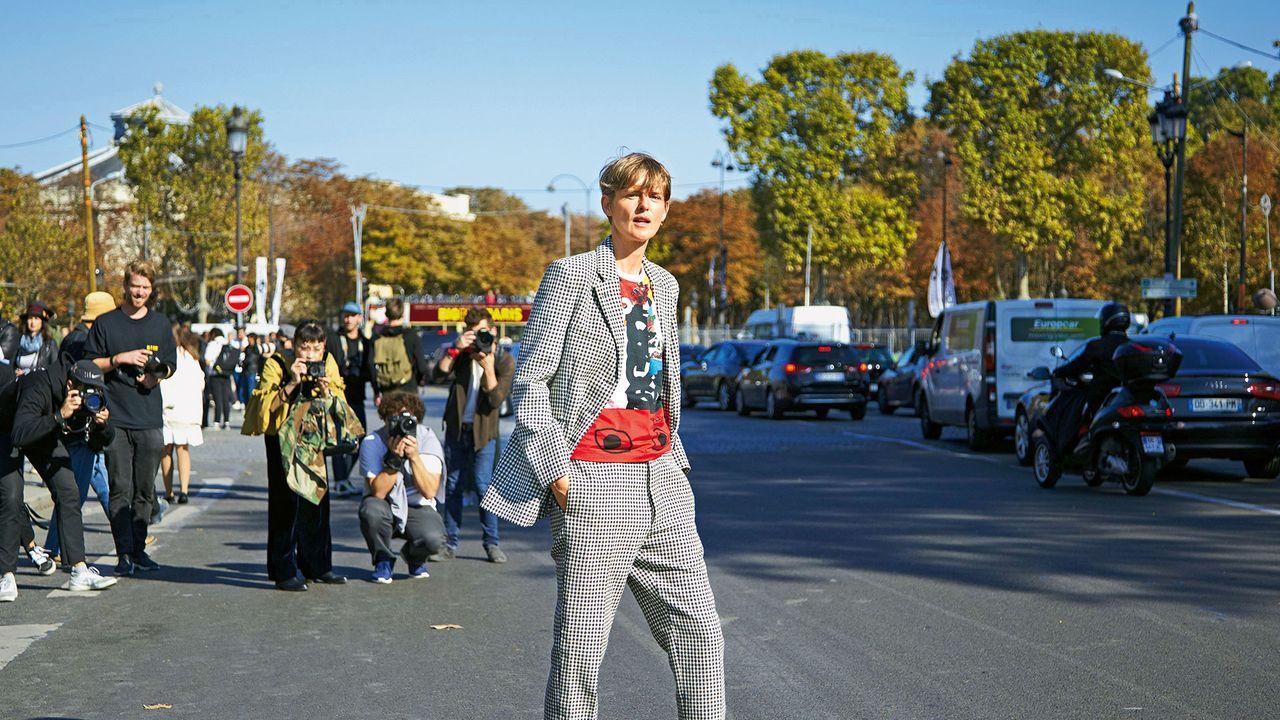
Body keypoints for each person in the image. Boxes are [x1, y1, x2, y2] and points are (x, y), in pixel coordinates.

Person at [482, 153, 725, 720]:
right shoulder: (569, 276)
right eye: (632, 194)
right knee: (580, 659)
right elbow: (534, 380)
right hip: (593, 481)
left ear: (666, 210)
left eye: (656, 197)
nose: (644, 206)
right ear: (607, 204)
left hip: (663, 481)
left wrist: (675, 464)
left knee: (701, 641)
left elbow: (662, 381)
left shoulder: (666, 285)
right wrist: (559, 474)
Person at [243, 321, 362, 591]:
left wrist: (325, 389)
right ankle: (283, 570)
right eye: (304, 348)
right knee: (286, 503)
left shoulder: (328, 362)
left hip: (312, 437)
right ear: (294, 345)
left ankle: (318, 566)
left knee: (317, 500)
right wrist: (292, 383)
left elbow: (340, 402)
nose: (310, 355)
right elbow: (266, 406)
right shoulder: (278, 362)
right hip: (282, 438)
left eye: (316, 349)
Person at [85, 259, 178, 576]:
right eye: (135, 286)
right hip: (116, 417)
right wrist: (119, 359)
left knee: (145, 491)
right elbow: (88, 365)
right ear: (125, 286)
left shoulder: (160, 324)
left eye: (145, 287)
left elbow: (170, 364)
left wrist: (156, 377)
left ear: (151, 290)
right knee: (120, 488)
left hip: (149, 417)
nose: (139, 292)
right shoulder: (106, 324)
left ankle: (139, 550)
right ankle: (123, 553)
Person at [8, 359, 119, 595]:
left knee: (69, 491)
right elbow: (19, 434)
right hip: (8, 428)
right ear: (70, 385)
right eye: (86, 389)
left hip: (45, 427)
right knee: (11, 497)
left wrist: (102, 425)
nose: (91, 395)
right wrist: (60, 415)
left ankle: (79, 569)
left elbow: (101, 442)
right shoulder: (37, 385)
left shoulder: (88, 400)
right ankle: (5, 575)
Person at [433, 306, 514, 563]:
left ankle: (492, 543)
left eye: (482, 332)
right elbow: (436, 375)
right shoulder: (461, 354)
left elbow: (496, 399)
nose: (478, 338)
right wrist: (456, 347)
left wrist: (488, 367)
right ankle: (450, 542)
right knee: (453, 486)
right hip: (457, 430)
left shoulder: (503, 359)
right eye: (472, 332)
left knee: (484, 487)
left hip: (484, 434)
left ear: (491, 330)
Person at [43, 291, 116, 564]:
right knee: (75, 492)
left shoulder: (74, 336)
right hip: (80, 422)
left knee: (86, 485)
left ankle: (54, 546)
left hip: (74, 421)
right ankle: (55, 547)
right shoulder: (85, 341)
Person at [357, 390, 447, 583]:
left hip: (418, 506)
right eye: (394, 419)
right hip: (385, 505)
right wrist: (394, 458)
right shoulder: (372, 442)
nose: (401, 425)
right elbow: (379, 492)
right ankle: (383, 559)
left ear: (417, 419)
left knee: (435, 540)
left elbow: (430, 491)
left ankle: (414, 556)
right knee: (370, 509)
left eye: (408, 419)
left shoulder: (427, 439)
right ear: (385, 419)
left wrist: (414, 457)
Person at [1045, 302, 1132, 454]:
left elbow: (1078, 364)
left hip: (1103, 396)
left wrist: (1059, 371)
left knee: (1082, 411)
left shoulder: (1098, 346)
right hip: (1128, 396)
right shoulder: (1132, 345)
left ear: (1106, 321)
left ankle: (1085, 439)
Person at [328, 302, 373, 497]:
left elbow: (370, 367)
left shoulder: (365, 341)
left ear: (359, 318)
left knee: (360, 438)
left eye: (352, 316)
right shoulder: (334, 339)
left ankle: (343, 477)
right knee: (338, 439)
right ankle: (339, 481)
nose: (348, 319)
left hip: (357, 396)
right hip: (337, 396)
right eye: (345, 315)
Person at [161, 327, 205, 505]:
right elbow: (201, 384)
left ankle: (169, 491)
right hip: (188, 411)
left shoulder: (169, 356)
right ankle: (184, 490)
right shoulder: (192, 358)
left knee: (166, 451)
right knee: (183, 449)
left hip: (169, 409)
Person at [371, 298, 428, 397]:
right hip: (408, 390)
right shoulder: (411, 335)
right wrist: (418, 382)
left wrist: (376, 391)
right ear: (403, 314)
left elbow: (371, 367)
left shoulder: (376, 338)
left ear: (386, 314)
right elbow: (422, 367)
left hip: (386, 392)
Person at [204, 328, 237, 430]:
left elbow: (207, 360)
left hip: (215, 375)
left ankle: (217, 421)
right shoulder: (228, 343)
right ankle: (226, 422)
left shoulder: (212, 344)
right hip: (227, 374)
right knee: (226, 398)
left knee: (217, 398)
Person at [14, 302, 58, 377]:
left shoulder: (49, 343)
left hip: (38, 385)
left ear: (42, 322)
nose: (33, 322)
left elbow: (54, 369)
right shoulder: (18, 340)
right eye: (30, 318)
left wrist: (28, 372)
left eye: (36, 318)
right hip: (18, 385)